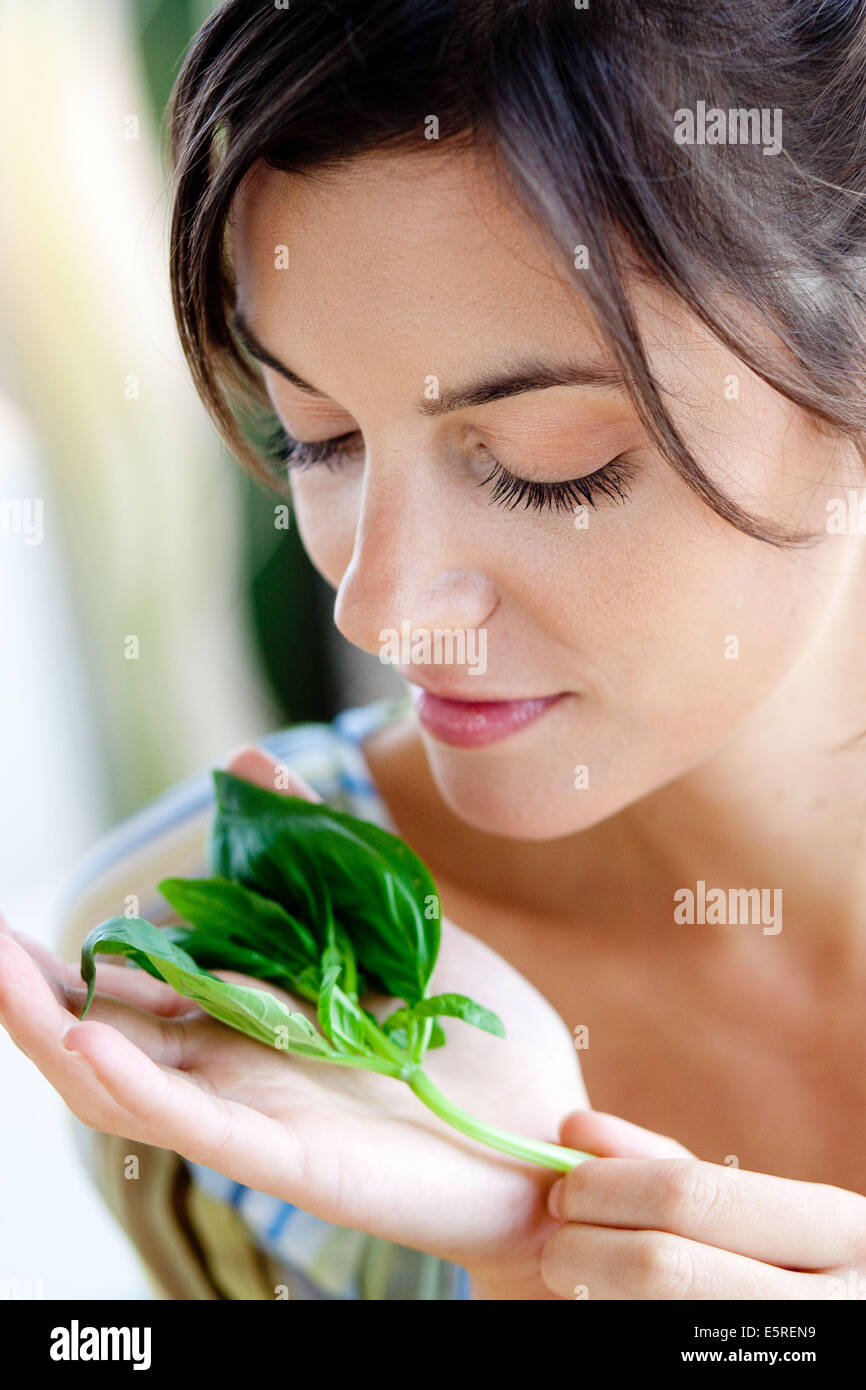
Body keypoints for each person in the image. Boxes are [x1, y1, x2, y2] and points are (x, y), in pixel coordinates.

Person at [3, 0, 866, 1300]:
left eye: (544, 469)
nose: (377, 605)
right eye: (318, 437)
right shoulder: (231, 958)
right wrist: (517, 1264)